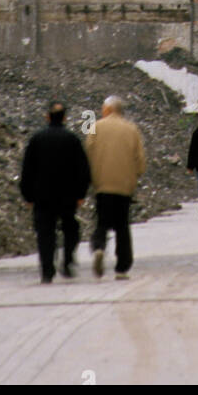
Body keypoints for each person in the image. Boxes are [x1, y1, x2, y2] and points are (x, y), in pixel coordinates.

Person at [19, 101, 91, 284]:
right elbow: (83, 169)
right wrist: (81, 194)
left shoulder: (37, 139)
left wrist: (27, 195)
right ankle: (67, 260)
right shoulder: (72, 139)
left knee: (45, 233)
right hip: (67, 196)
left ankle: (47, 271)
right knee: (70, 229)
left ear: (47, 117)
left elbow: (27, 169)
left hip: (42, 196)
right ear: (65, 118)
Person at [85, 95, 146, 279]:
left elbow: (87, 154)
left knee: (102, 222)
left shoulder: (95, 127)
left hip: (102, 185)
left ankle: (99, 247)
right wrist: (135, 176)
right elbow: (140, 161)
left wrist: (91, 179)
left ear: (108, 110)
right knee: (122, 226)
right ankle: (122, 267)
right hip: (124, 186)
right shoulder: (132, 129)